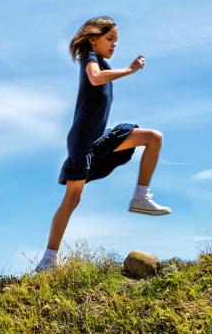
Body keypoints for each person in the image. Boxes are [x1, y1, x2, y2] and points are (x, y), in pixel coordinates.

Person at [36, 17, 170, 272]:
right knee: (72, 199)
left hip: (99, 137)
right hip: (83, 141)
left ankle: (140, 197)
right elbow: (96, 79)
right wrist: (129, 70)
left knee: (153, 137)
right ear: (92, 39)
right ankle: (48, 260)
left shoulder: (102, 62)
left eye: (116, 41)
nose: (114, 45)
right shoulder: (90, 59)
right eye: (110, 39)